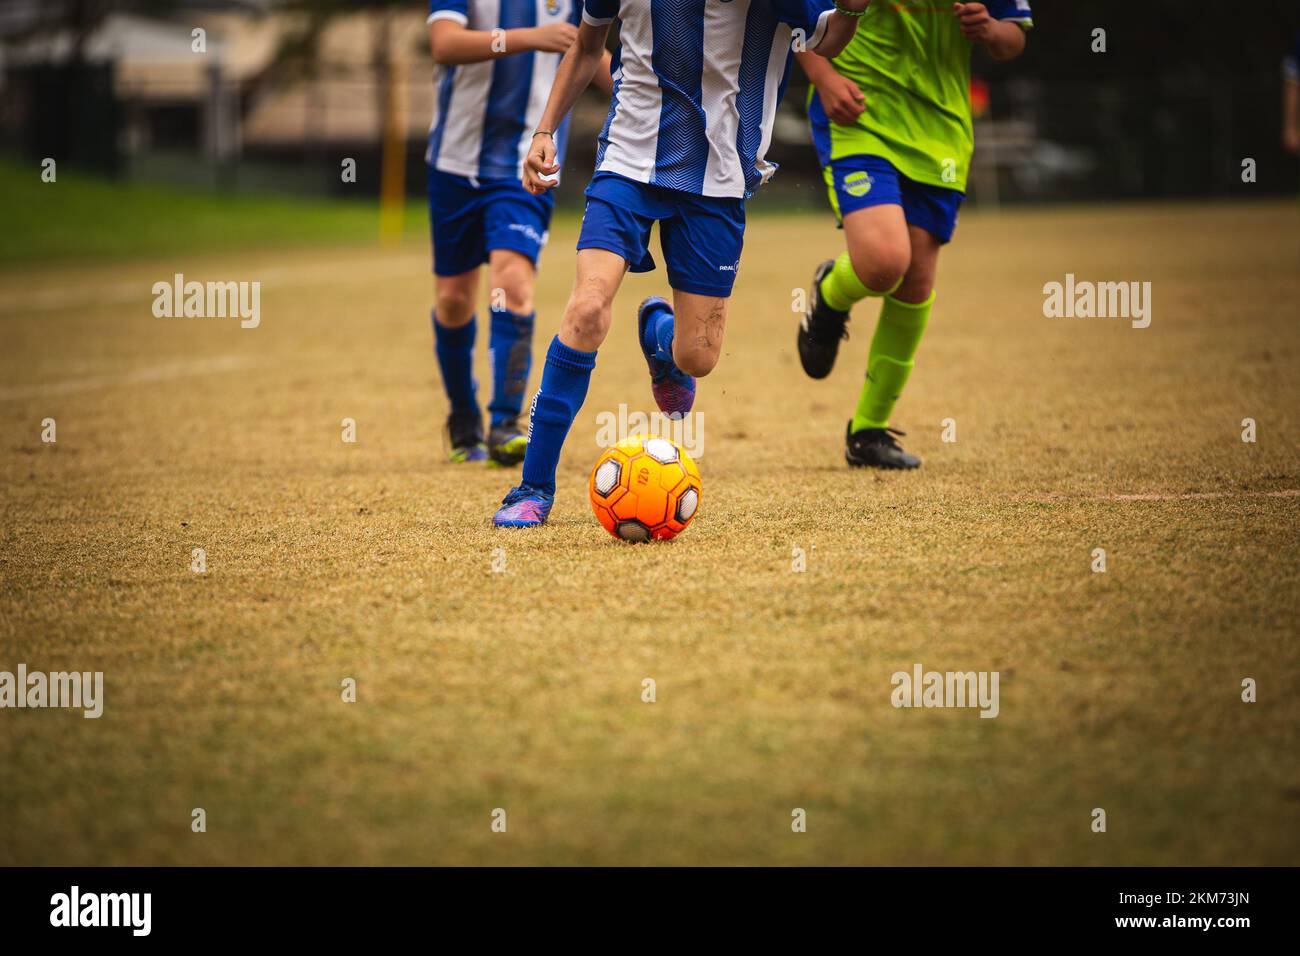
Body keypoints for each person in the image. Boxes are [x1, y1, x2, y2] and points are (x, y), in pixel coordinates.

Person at [492, 0, 868, 527]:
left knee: (698, 357)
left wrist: (852, 9)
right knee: (587, 310)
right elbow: (587, 45)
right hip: (629, 159)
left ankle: (659, 335)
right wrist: (544, 132)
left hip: (720, 177)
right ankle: (532, 489)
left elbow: (826, 39)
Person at [796, 1, 1031, 469]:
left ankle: (868, 432)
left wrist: (989, 29)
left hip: (939, 130)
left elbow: (1014, 39)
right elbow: (794, 16)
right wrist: (824, 79)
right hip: (861, 112)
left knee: (915, 281)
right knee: (884, 263)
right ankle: (831, 292)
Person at [426, 0, 611, 464]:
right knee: (452, 300)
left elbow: (592, 53)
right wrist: (529, 37)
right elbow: (443, 44)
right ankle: (463, 416)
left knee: (511, 285)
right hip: (454, 162)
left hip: (526, 166)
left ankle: (506, 421)